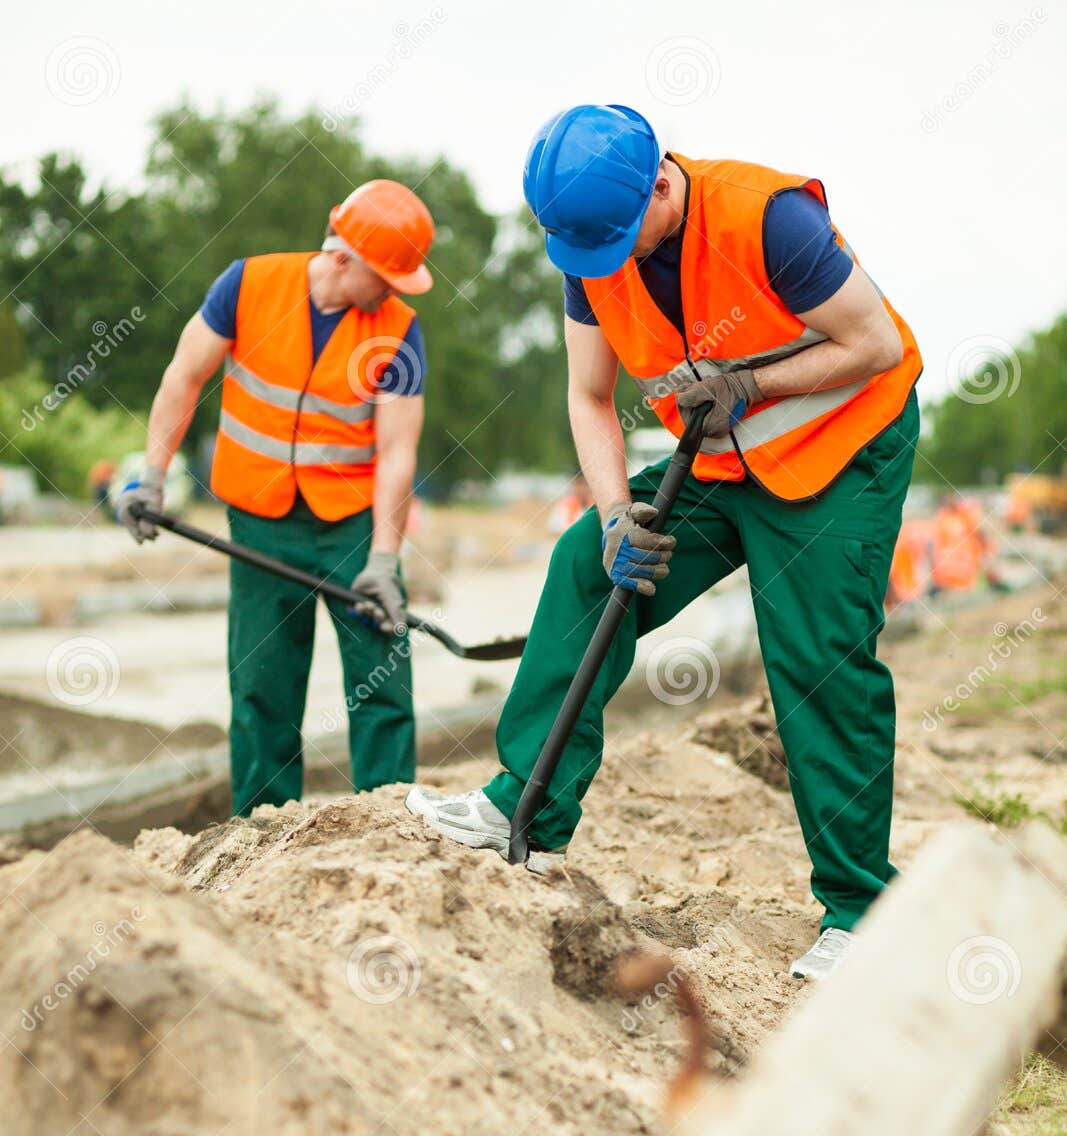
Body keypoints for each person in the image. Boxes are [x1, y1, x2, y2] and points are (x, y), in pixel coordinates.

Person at [408, 105, 921, 982]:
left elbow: (872, 344)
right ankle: (520, 808)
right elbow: (587, 396)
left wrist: (746, 384)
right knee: (583, 570)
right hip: (718, 461)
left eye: (615, 238)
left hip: (837, 453)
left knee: (818, 655)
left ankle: (859, 909)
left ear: (659, 181)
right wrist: (616, 518)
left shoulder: (769, 218)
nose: (604, 262)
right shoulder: (593, 245)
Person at [115, 180, 433, 816]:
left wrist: (382, 559)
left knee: (382, 680)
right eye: (389, 274)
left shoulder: (398, 329)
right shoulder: (247, 285)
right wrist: (152, 474)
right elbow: (185, 375)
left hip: (351, 528)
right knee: (263, 684)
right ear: (345, 259)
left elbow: (398, 451)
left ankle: (390, 817)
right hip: (260, 518)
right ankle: (262, 825)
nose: (397, 288)